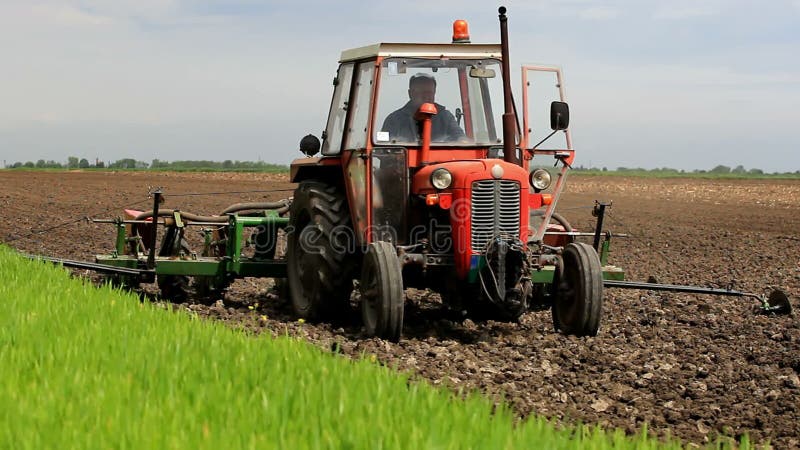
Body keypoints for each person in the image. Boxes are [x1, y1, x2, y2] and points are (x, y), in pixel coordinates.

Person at [381, 73, 466, 143]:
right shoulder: (394, 120)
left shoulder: (445, 117)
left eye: (429, 93)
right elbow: (382, 148)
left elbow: (460, 138)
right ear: (410, 94)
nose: (426, 97)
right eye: (422, 93)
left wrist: (463, 141)